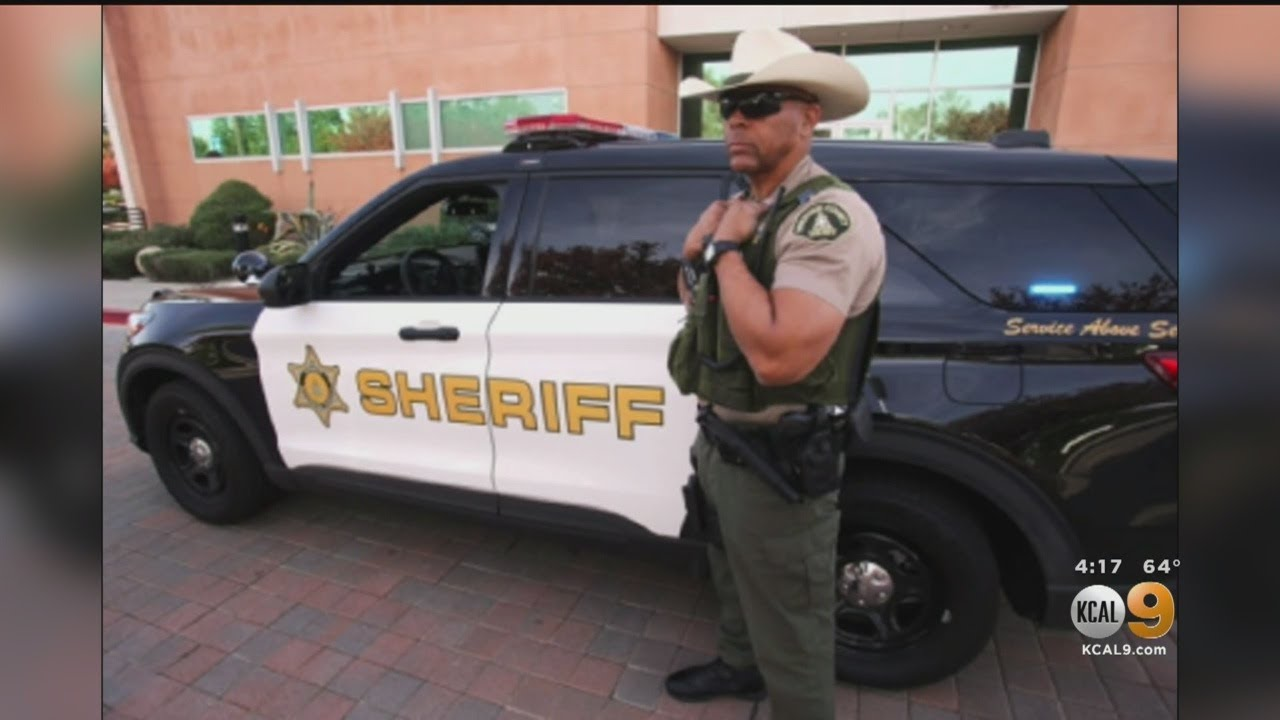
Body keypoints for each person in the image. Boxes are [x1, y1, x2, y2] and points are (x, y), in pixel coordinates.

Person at [664, 28, 886, 719]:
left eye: (758, 102)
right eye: (729, 105)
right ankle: (739, 667)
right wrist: (699, 253)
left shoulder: (826, 217)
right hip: (726, 440)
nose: (735, 118)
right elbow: (708, 315)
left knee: (792, 617)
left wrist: (726, 251)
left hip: (780, 458)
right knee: (732, 575)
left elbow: (780, 355)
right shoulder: (752, 206)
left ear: (809, 114)